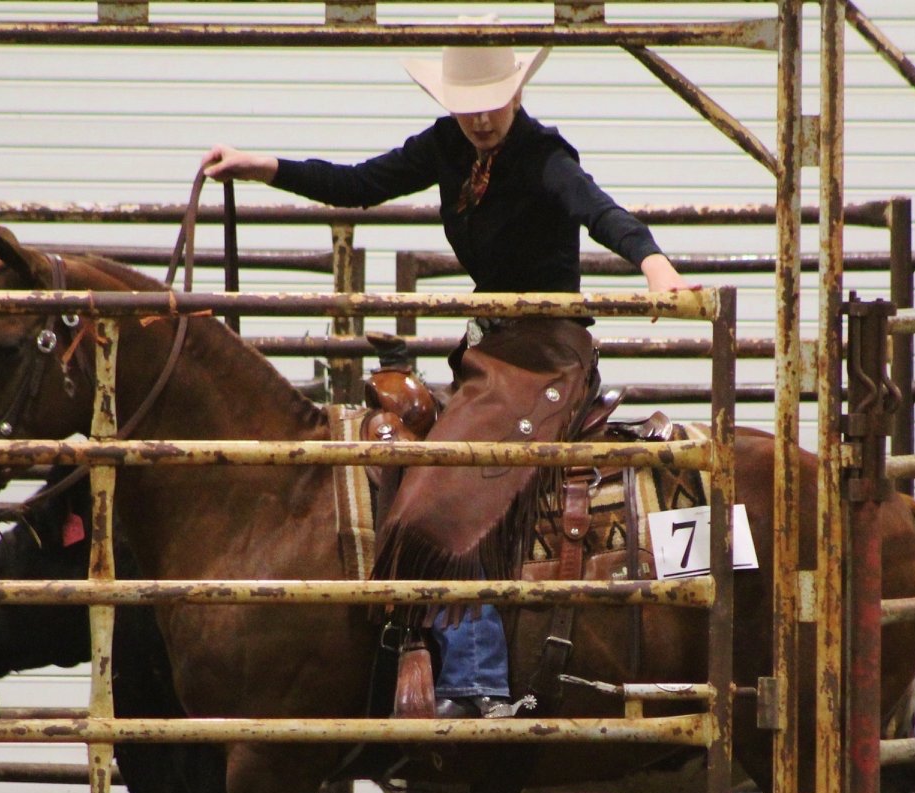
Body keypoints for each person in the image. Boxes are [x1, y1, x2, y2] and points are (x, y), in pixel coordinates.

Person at [202, 41, 694, 719]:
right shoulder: (445, 147)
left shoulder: (544, 156)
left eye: (492, 105)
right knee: (439, 466)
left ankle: (476, 676)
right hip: (492, 351)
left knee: (456, 482)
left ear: (515, 94)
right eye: (467, 108)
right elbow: (359, 184)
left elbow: (601, 212)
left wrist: (654, 265)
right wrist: (264, 166)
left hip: (550, 350)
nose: (481, 120)